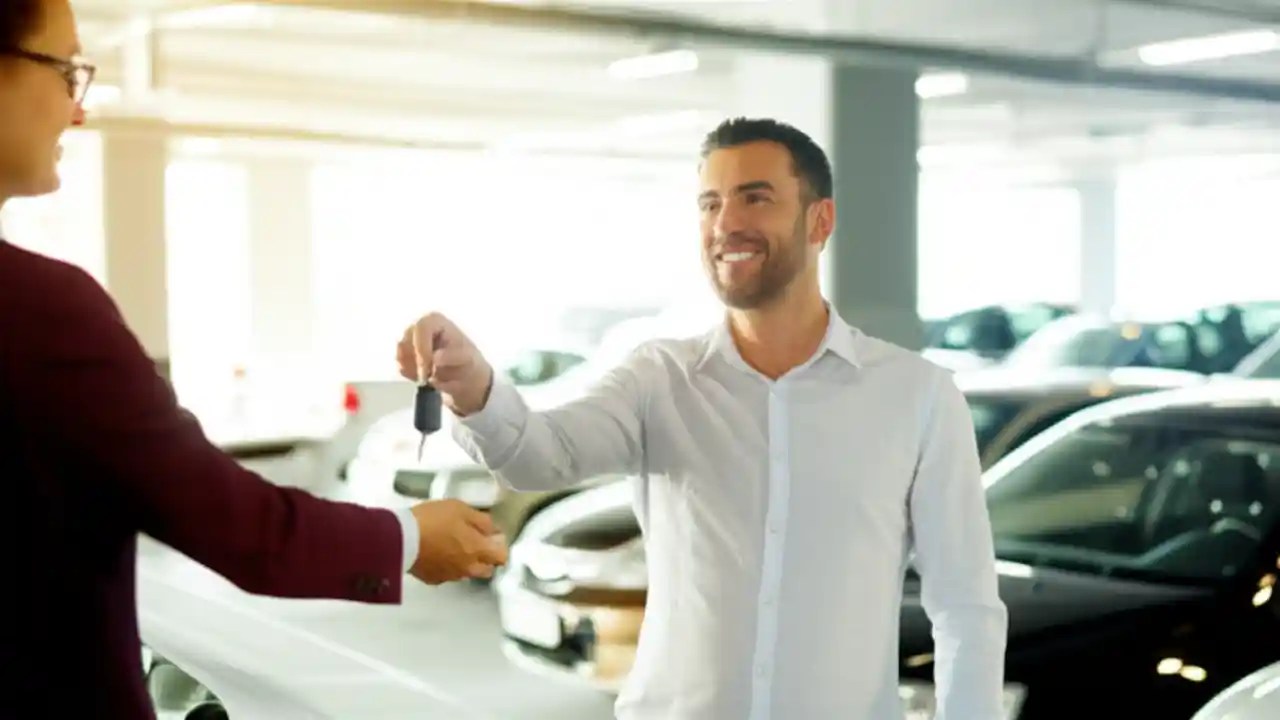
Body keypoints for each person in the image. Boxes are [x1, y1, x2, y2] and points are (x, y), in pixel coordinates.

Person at [400, 118, 1008, 718]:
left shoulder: (917, 395)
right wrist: (473, 385)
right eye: (709, 203)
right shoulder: (658, 379)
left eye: (755, 198)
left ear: (820, 220)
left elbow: (965, 605)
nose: (725, 224)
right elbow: (538, 454)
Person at [0, 2, 506, 718]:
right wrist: (410, 538)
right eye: (67, 72)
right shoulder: (43, 310)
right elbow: (237, 526)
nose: (77, 112)